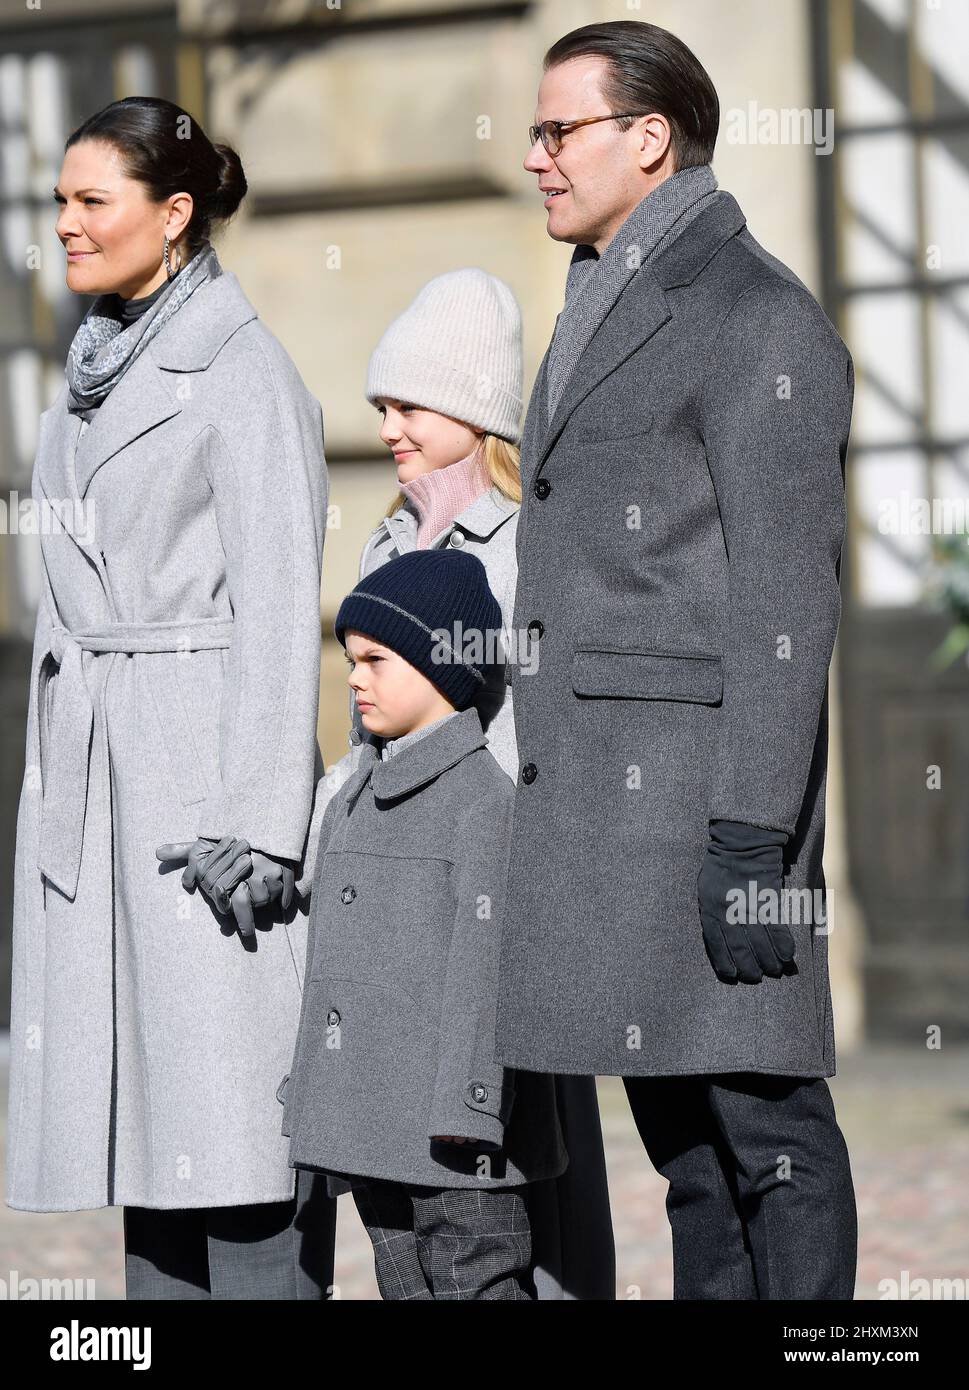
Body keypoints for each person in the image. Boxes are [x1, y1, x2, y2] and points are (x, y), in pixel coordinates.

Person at [495, 20, 858, 1299]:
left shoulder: (757, 315)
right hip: (605, 811)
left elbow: (787, 601)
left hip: (705, 811)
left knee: (771, 1140)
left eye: (559, 130)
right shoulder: (603, 290)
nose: (536, 157)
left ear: (649, 139)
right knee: (690, 1158)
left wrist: (754, 834)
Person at [225, 268, 615, 1298]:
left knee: (533, 1174)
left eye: (408, 403)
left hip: (495, 893)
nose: (388, 424)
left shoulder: (533, 545)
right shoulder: (387, 541)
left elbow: (534, 743)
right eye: (380, 405)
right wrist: (296, 847)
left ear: (473, 408)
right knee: (410, 1197)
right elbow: (364, 745)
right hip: (392, 900)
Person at [5, 96, 335, 1299]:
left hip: (200, 794)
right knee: (145, 1135)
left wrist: (258, 825)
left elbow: (281, 603)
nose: (67, 226)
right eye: (61, 201)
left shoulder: (242, 370)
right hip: (104, 785)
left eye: (94, 202)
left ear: (176, 213)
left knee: (235, 1128)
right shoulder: (89, 370)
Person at [280, 549, 570, 1299]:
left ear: (440, 665)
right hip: (373, 1124)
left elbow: (486, 978)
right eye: (350, 659)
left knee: (477, 1286)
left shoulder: (483, 803)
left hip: (455, 1141)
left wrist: (470, 1109)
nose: (353, 677)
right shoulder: (353, 796)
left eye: (375, 658)